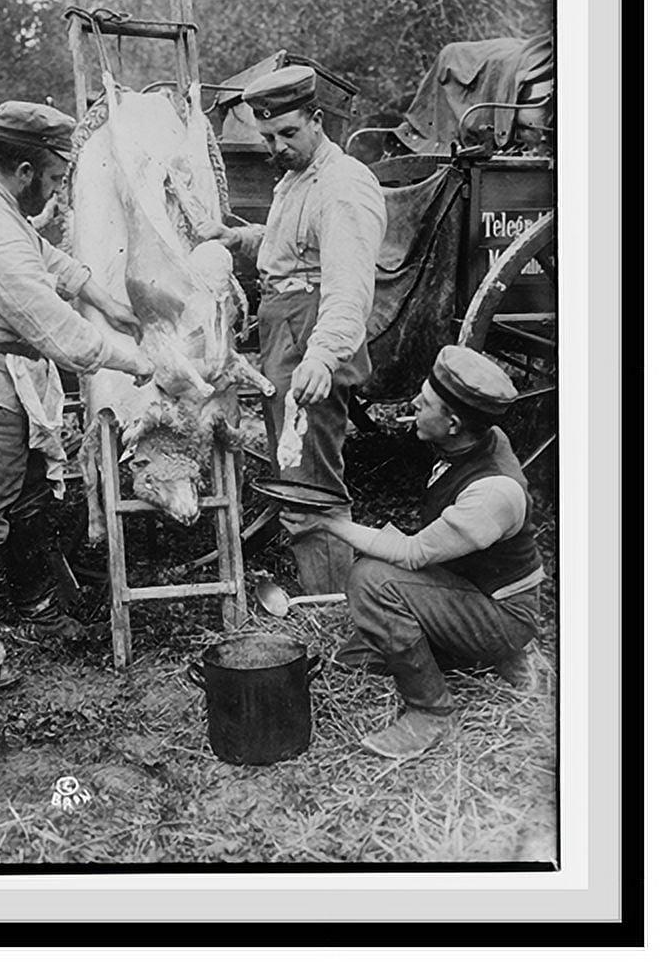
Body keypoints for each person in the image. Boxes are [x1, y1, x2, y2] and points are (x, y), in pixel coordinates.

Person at [0, 100, 154, 640]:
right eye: (52, 179)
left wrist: (107, 300)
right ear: (24, 171)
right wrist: (138, 361)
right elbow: (64, 337)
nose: (54, 192)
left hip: (3, 382)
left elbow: (49, 260)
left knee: (27, 491)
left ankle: (36, 607)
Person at [281, 345, 544, 760]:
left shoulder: (493, 492)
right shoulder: (476, 439)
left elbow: (412, 554)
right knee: (357, 657)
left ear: (454, 424)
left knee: (370, 579)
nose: (414, 404)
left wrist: (330, 523)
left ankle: (432, 711)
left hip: (503, 612)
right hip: (467, 586)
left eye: (425, 403)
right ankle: (480, 655)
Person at [217, 65, 387, 598]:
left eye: (288, 133)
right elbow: (297, 242)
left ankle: (332, 602)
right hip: (288, 327)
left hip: (311, 332)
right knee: (294, 465)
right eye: (268, 137)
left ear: (317, 119)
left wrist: (322, 357)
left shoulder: (342, 186)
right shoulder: (300, 177)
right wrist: (242, 238)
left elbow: (348, 285)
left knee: (310, 478)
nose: (278, 146)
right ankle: (326, 584)